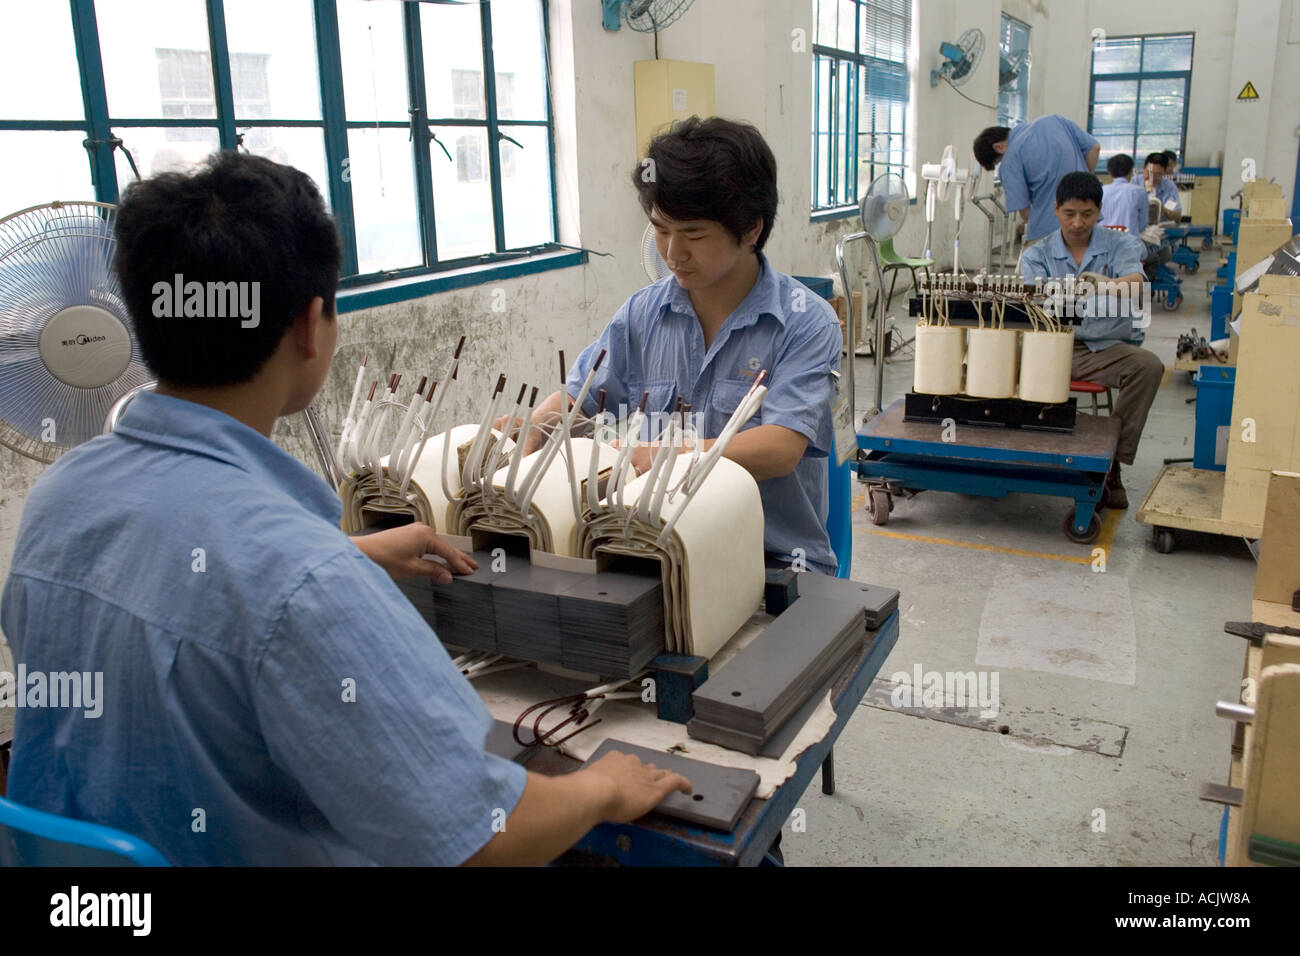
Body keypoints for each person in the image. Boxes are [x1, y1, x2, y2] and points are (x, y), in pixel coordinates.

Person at [0, 151, 689, 866]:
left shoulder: (61, 496)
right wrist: (603, 787)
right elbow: (480, 835)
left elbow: (187, 581)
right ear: (311, 326)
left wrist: (348, 556)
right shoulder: (302, 582)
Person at [525, 117, 843, 575]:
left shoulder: (805, 321)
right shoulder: (641, 315)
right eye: (660, 229)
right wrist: (537, 425)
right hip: (654, 549)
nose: (672, 252)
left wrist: (660, 457)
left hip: (769, 561)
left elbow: (780, 448)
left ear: (750, 229)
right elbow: (584, 395)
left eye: (693, 234)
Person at [1018, 172, 1165, 509]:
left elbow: (1137, 285)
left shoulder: (1122, 245)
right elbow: (1037, 307)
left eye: (1086, 214)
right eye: (1069, 213)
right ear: (1056, 210)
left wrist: (1106, 285)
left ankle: (1111, 464)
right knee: (989, 359)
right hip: (1052, 348)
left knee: (1148, 367)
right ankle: (1008, 454)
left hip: (1103, 350)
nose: (1077, 222)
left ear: (1100, 211)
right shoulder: (1036, 255)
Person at [973, 116, 1101, 245]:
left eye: (997, 162)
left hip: (1049, 231)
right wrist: (1084, 184)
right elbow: (1094, 148)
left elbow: (1025, 212)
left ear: (999, 147)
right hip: (1089, 222)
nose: (1001, 164)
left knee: (1031, 261)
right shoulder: (1055, 120)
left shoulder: (1009, 161)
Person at [1100, 153, 1149, 238]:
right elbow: (1142, 225)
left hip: (1103, 242)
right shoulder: (1139, 192)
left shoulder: (1101, 191)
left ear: (1109, 172)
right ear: (1131, 171)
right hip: (1129, 244)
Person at [1144, 152, 1182, 222]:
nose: (1153, 178)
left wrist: (1164, 210)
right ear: (1144, 169)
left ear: (1164, 172)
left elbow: (1178, 216)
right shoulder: (1134, 183)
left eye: (1158, 174)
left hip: (1160, 229)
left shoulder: (1169, 186)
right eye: (1150, 173)